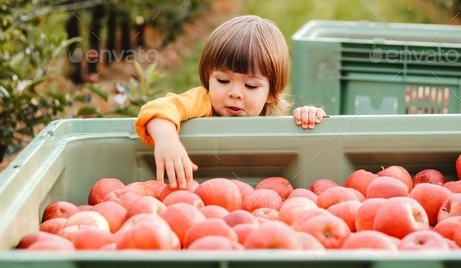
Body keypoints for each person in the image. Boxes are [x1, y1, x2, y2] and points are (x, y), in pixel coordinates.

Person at [134, 15, 325, 189]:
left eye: (250, 85)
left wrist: (307, 115)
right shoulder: (203, 102)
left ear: (271, 93)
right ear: (208, 77)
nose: (235, 93)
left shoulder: (270, 119)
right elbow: (157, 108)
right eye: (223, 81)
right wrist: (167, 140)